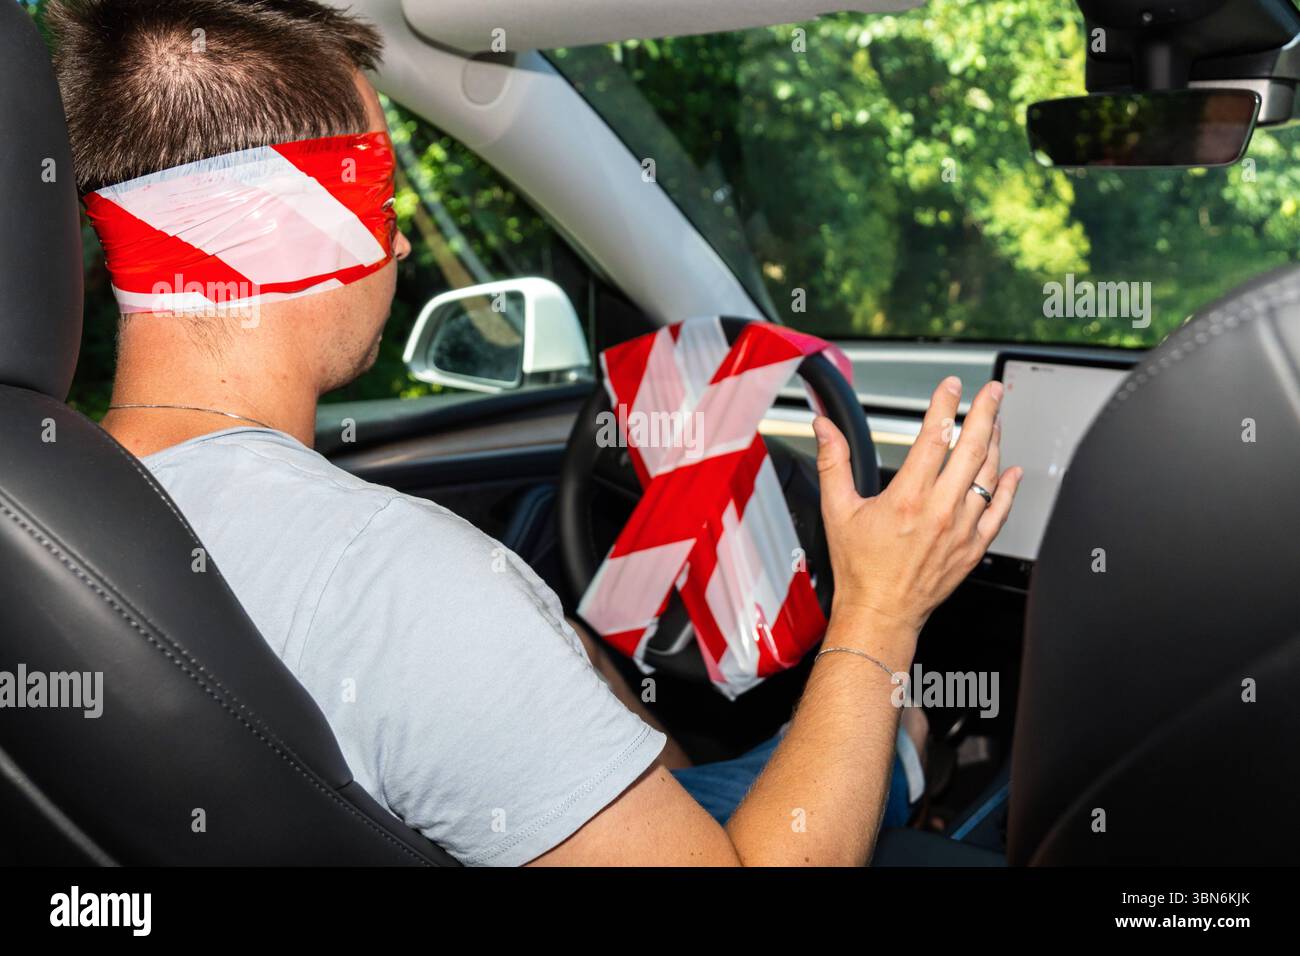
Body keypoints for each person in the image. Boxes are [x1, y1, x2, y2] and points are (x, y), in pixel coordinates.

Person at [48, 0, 1021, 865]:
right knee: (900, 730)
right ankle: (912, 756)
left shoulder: (50, 519)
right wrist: (879, 614)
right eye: (379, 200)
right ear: (289, 227)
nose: (396, 242)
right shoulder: (398, 579)